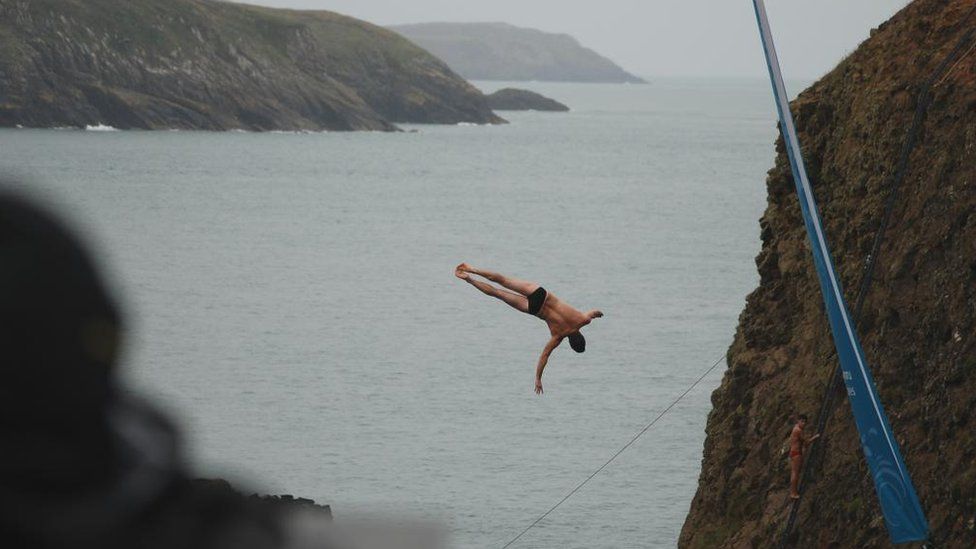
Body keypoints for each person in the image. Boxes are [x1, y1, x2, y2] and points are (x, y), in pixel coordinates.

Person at [455, 263, 602, 394]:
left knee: (503, 280)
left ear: (581, 335)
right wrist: (538, 379)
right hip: (534, 309)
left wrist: (597, 314)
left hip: (542, 295)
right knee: (497, 293)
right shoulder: (558, 336)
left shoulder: (584, 320)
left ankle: (471, 269)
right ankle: (469, 279)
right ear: (570, 343)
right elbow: (544, 356)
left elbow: (593, 313)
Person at [788, 414, 820, 499]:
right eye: (802, 421)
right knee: (795, 473)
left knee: (794, 473)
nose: (803, 424)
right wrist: (815, 437)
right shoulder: (798, 430)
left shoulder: (796, 428)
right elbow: (806, 442)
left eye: (805, 422)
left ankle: (793, 492)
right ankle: (793, 493)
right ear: (798, 421)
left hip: (793, 452)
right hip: (796, 453)